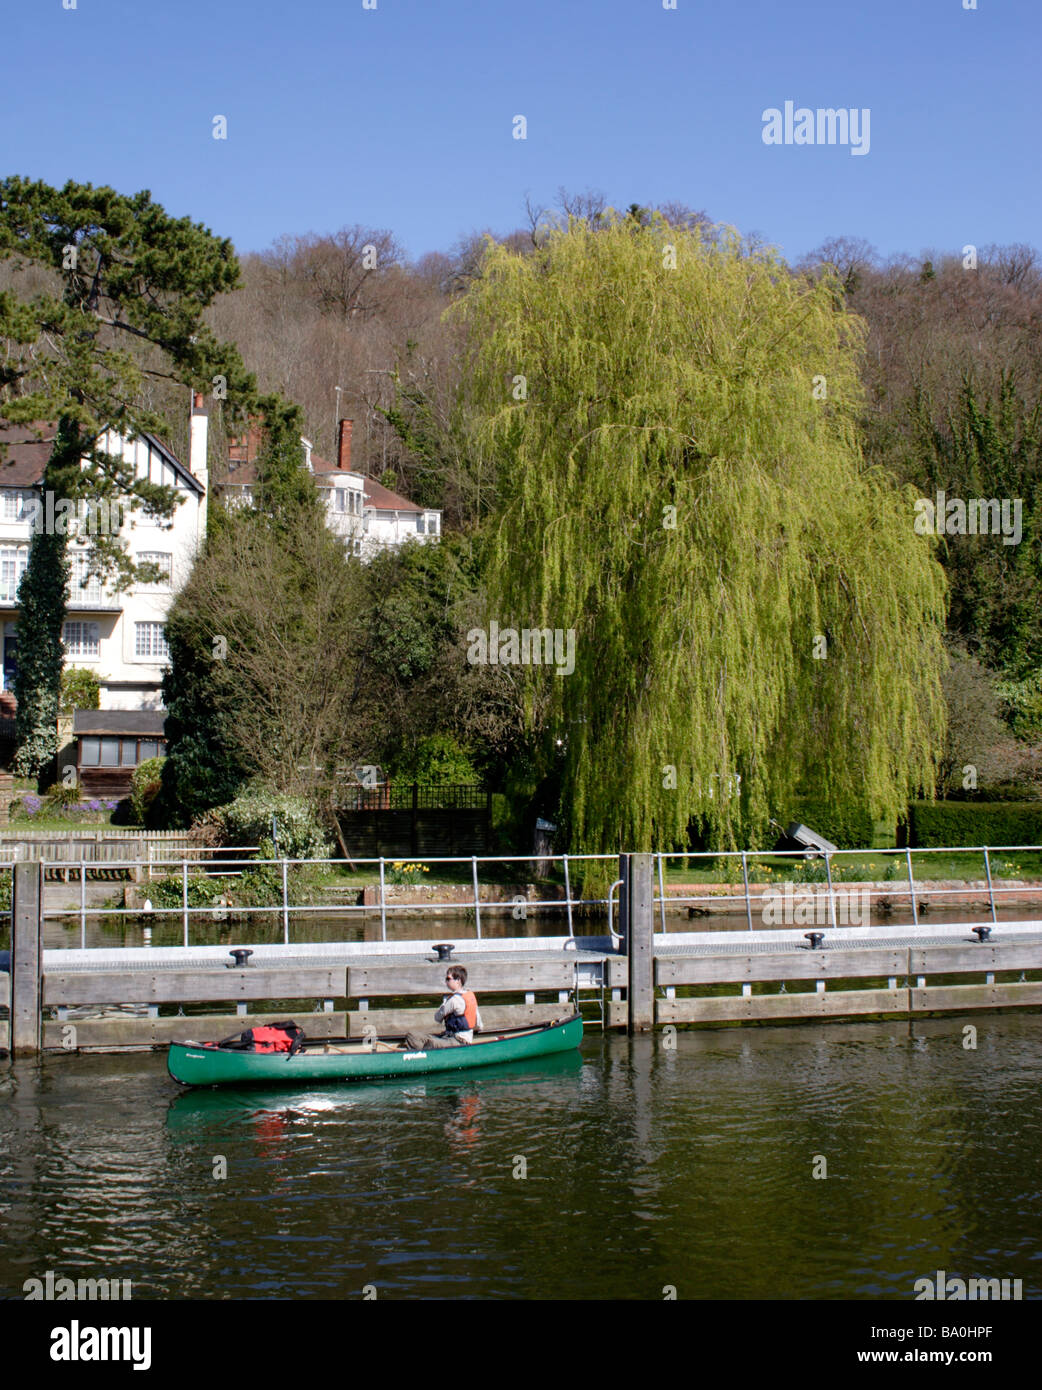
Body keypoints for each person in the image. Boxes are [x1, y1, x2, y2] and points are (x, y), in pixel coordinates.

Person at [402, 965, 483, 1050]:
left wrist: (444, 1003)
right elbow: (479, 1024)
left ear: (458, 980)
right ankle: (419, 1052)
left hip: (458, 1041)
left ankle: (420, 1055)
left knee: (431, 1043)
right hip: (449, 1037)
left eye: (448, 979)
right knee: (412, 1036)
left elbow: (437, 1018)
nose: (446, 982)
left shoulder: (453, 1000)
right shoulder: (470, 995)